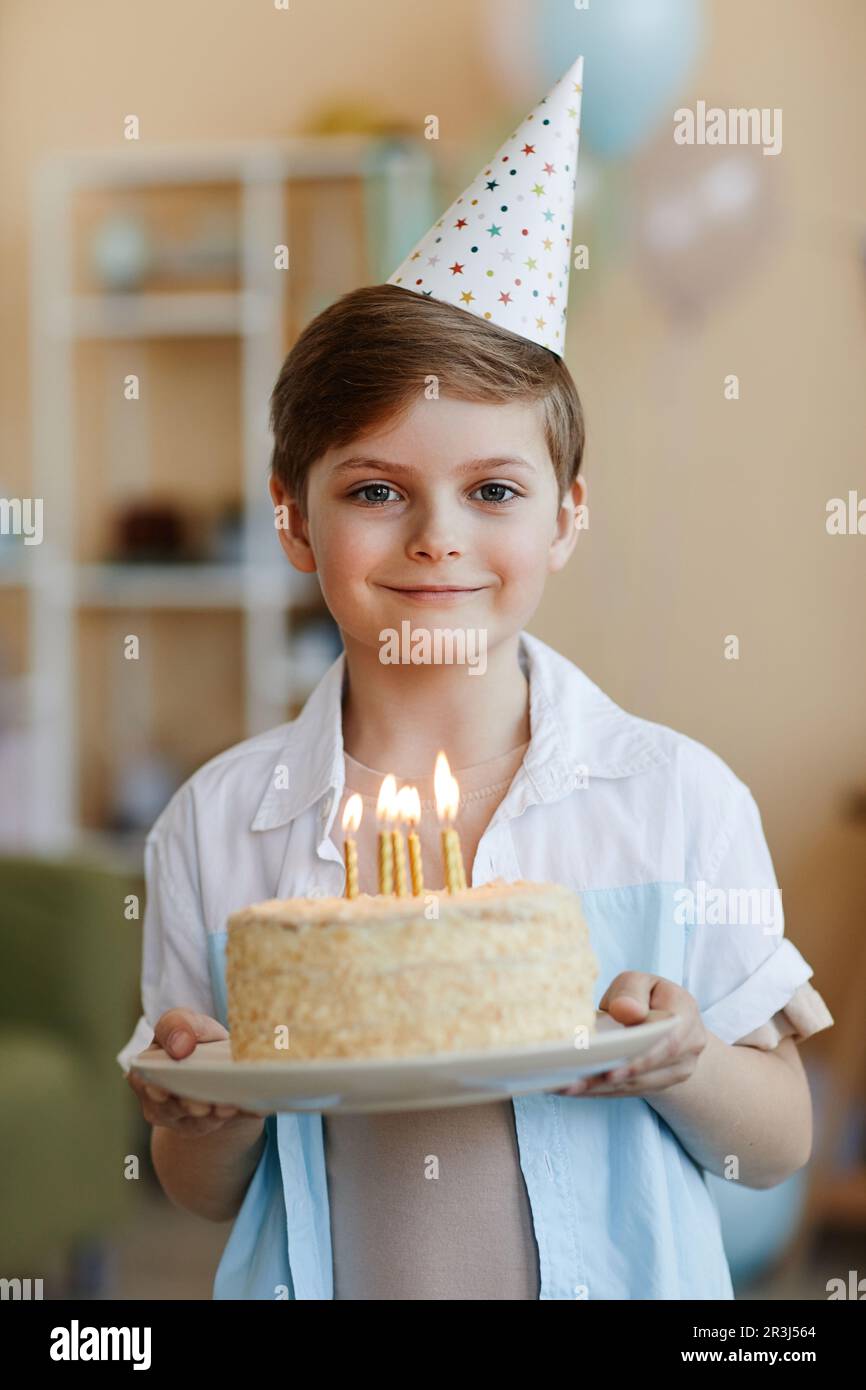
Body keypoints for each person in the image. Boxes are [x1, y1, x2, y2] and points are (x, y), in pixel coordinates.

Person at [118, 56, 833, 1300]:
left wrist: (684, 1058)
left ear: (564, 516)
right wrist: (207, 1107)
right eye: (376, 490)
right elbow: (201, 1189)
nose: (436, 536)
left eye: (492, 490)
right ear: (293, 521)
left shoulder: (674, 799)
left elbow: (771, 1145)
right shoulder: (219, 825)